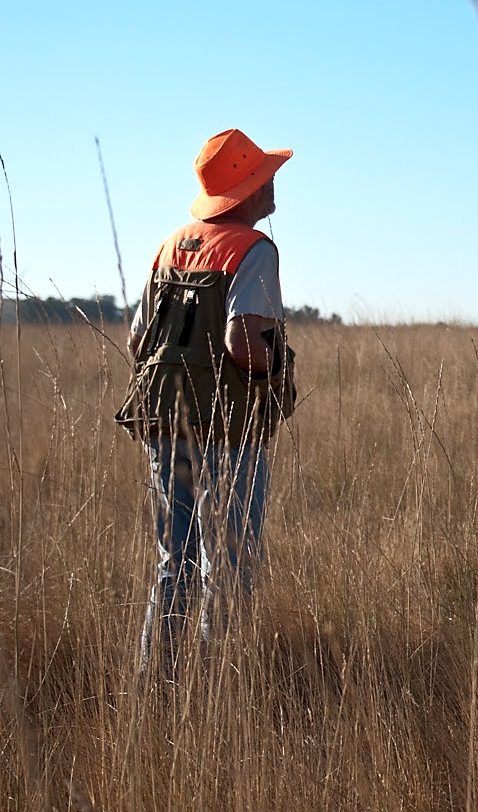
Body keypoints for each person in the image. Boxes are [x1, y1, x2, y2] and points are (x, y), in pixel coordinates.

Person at [116, 128, 297, 675]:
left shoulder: (172, 245)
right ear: (245, 191)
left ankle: (160, 687)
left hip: (163, 421)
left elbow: (136, 341)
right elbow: (243, 342)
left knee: (176, 563)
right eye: (265, 178)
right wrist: (280, 360)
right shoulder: (254, 249)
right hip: (227, 428)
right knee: (231, 567)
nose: (273, 188)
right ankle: (221, 694)